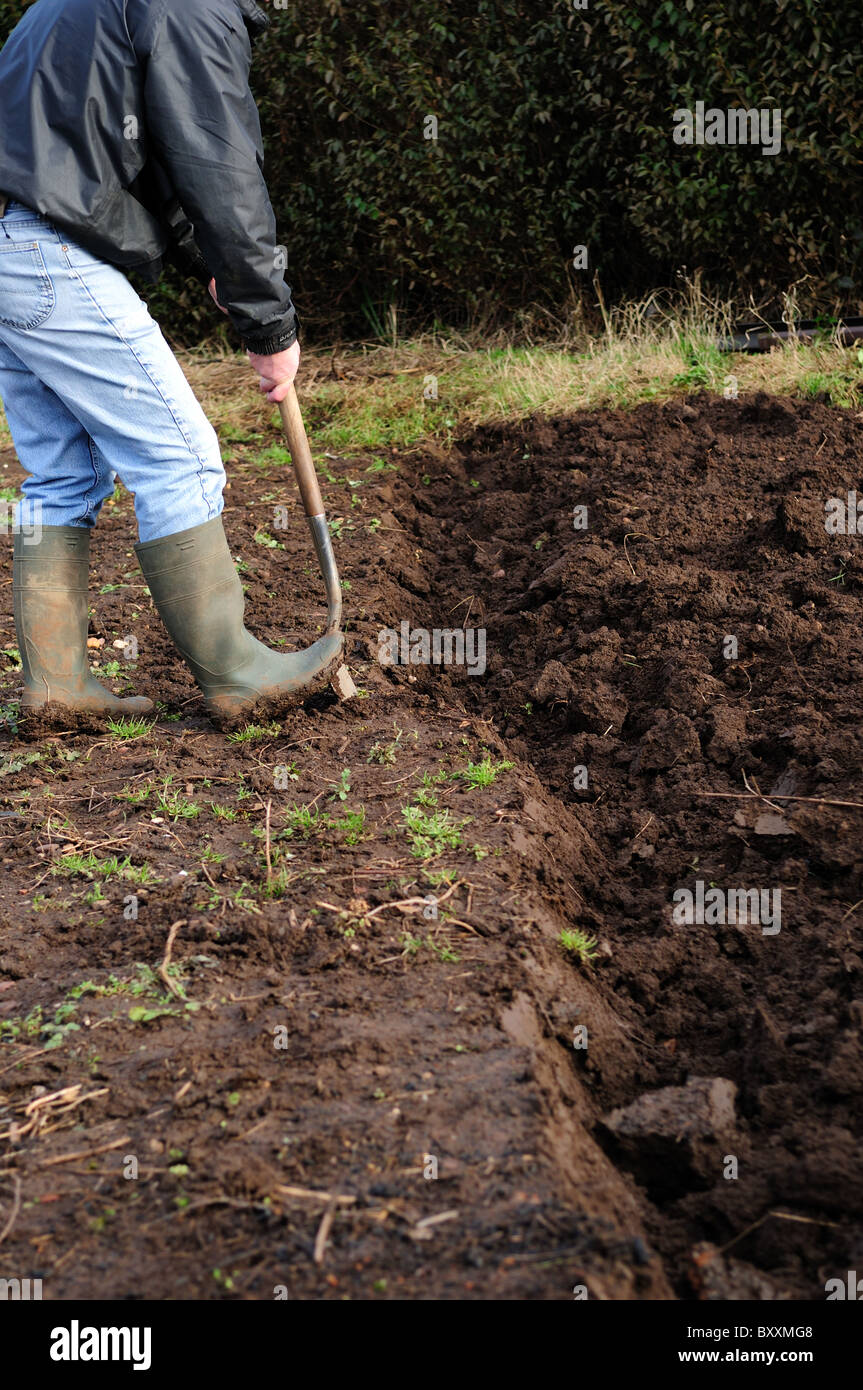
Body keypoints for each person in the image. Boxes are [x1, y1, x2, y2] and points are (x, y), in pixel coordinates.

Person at [0, 0, 343, 725]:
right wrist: (268, 322)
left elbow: (132, 145)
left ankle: (56, 684)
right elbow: (215, 166)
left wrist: (210, 264)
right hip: (47, 245)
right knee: (180, 458)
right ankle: (236, 673)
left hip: (11, 242)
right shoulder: (188, 5)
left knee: (60, 474)